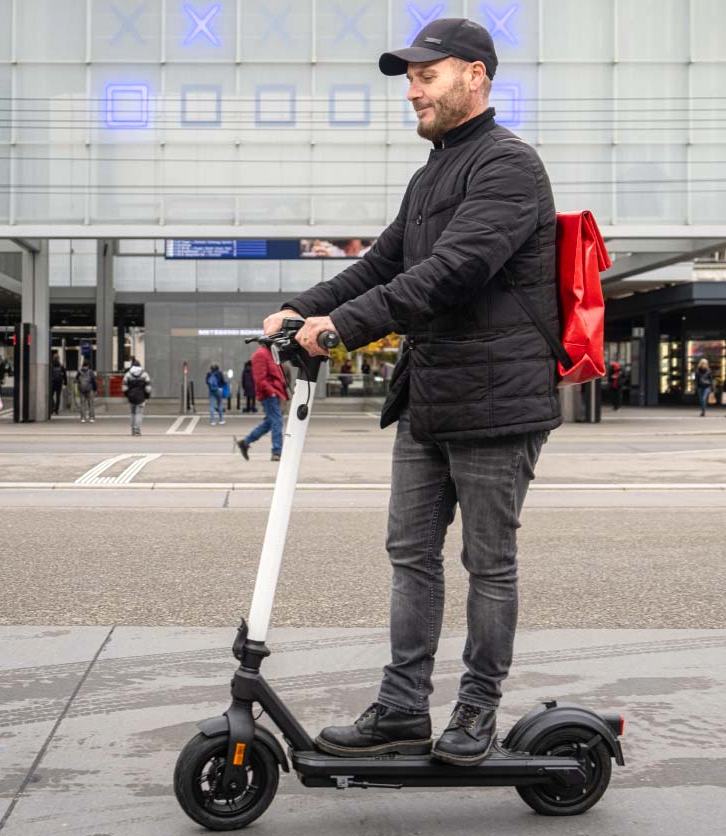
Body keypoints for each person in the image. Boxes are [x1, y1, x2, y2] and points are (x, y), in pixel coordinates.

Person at [262, 18, 559, 766]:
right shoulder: (431, 175)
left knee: (488, 563)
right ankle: (401, 710)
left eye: (427, 76)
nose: (413, 91)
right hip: (430, 395)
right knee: (411, 554)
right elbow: (382, 263)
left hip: (496, 401)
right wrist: (302, 307)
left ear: (475, 76)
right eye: (410, 80)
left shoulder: (508, 167)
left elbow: (450, 273)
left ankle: (477, 708)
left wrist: (341, 329)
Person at [235, 345, 287, 462]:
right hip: (269, 394)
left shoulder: (268, 353)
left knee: (270, 422)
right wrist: (271, 392)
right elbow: (260, 379)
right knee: (276, 421)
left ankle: (245, 442)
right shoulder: (261, 354)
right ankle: (277, 452)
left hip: (273, 393)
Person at [123, 357, 151, 436]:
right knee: (139, 414)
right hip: (141, 397)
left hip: (131, 397)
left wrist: (127, 395)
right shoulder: (144, 374)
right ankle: (137, 430)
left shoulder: (128, 374)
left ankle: (132, 430)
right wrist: (147, 396)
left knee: (132, 413)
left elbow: (124, 387)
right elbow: (148, 388)